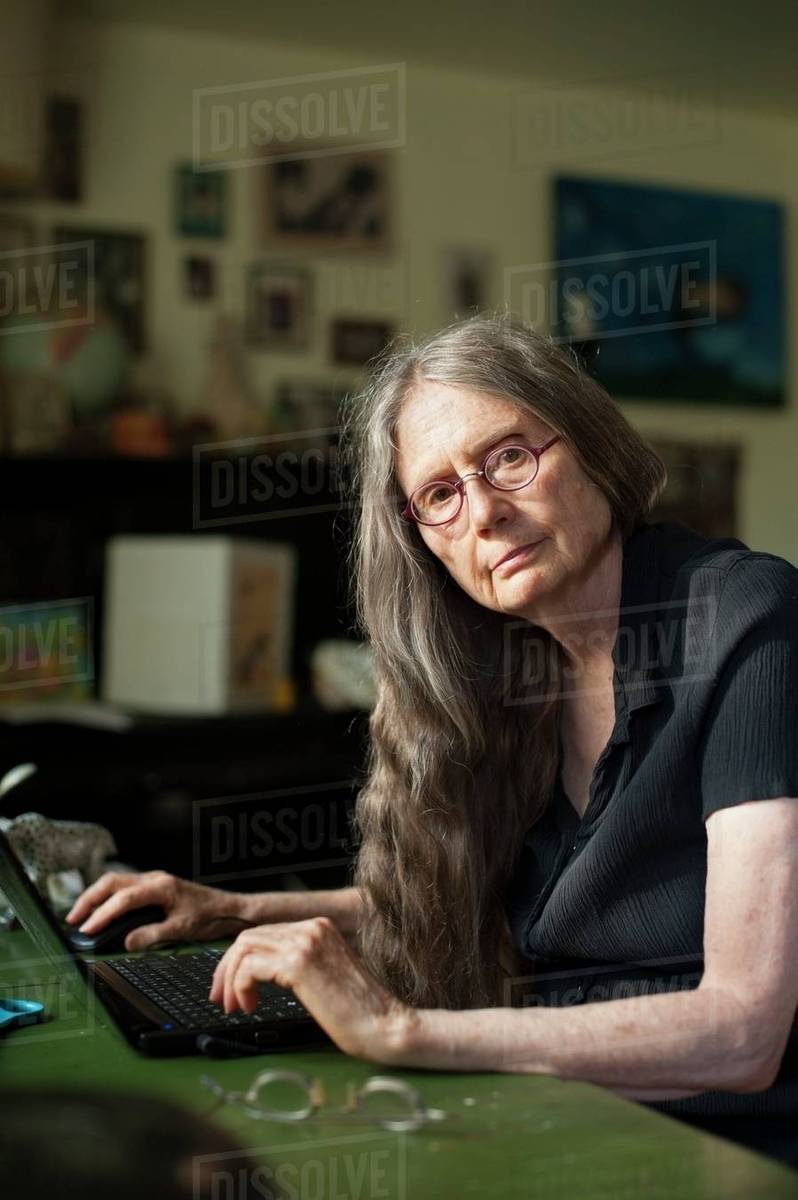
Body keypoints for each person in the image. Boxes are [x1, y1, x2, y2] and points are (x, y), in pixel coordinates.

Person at [67, 315, 798, 1169]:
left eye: (510, 458)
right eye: (440, 495)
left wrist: (401, 1029)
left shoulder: (748, 625)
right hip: (560, 1119)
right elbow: (459, 893)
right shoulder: (517, 669)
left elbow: (744, 1031)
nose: (485, 512)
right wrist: (242, 911)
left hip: (729, 1156)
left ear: (591, 443)